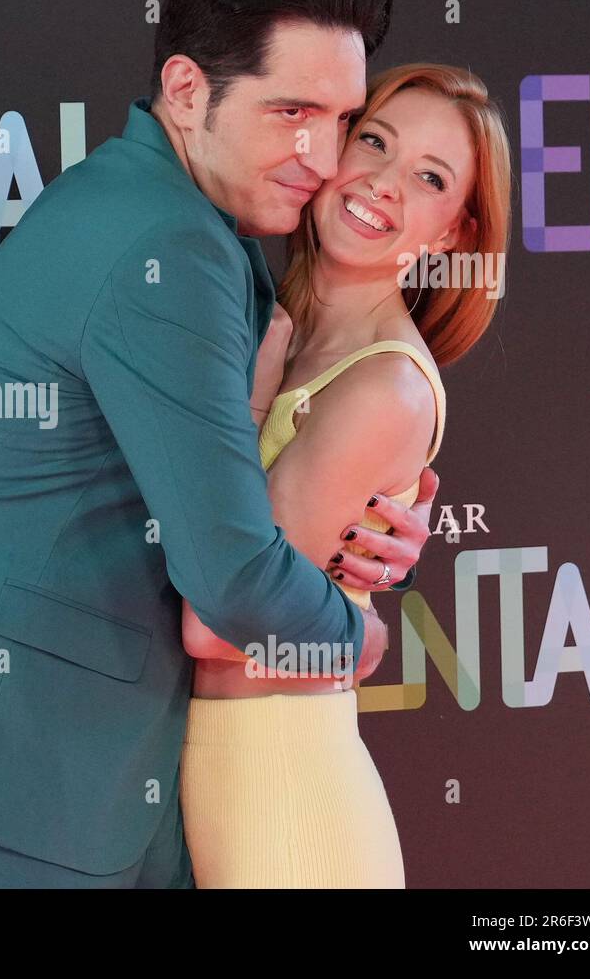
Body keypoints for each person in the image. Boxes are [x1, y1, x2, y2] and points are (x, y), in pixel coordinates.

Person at [0, 0, 438, 888]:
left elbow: (218, 497)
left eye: (344, 118)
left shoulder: (176, 216)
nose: (323, 156)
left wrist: (338, 526)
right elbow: (233, 577)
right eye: (292, 112)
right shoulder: (169, 244)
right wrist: (360, 634)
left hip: (70, 795)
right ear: (188, 89)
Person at [180, 62, 511, 887]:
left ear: (454, 235)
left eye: (429, 178)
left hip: (287, 808)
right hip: (206, 789)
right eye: (374, 142)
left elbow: (220, 627)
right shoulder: (259, 313)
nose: (383, 184)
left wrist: (251, 415)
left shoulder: (384, 387)